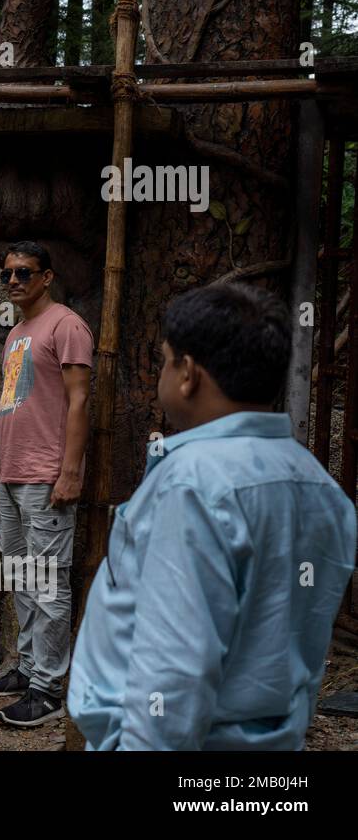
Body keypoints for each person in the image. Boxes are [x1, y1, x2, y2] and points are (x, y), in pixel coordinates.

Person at [69, 283, 357, 750]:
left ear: (188, 374)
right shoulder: (323, 490)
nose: (162, 371)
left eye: (165, 359)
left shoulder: (191, 486)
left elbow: (174, 672)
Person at [0, 241, 93, 728]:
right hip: (14, 475)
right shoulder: (17, 333)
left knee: (48, 582)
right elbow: (13, 405)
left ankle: (48, 689)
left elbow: (80, 400)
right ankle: (27, 670)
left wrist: (70, 470)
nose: (13, 281)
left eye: (24, 273)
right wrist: (2, 474)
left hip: (48, 475)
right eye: (8, 274)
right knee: (22, 579)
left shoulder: (67, 325)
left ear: (47, 277)